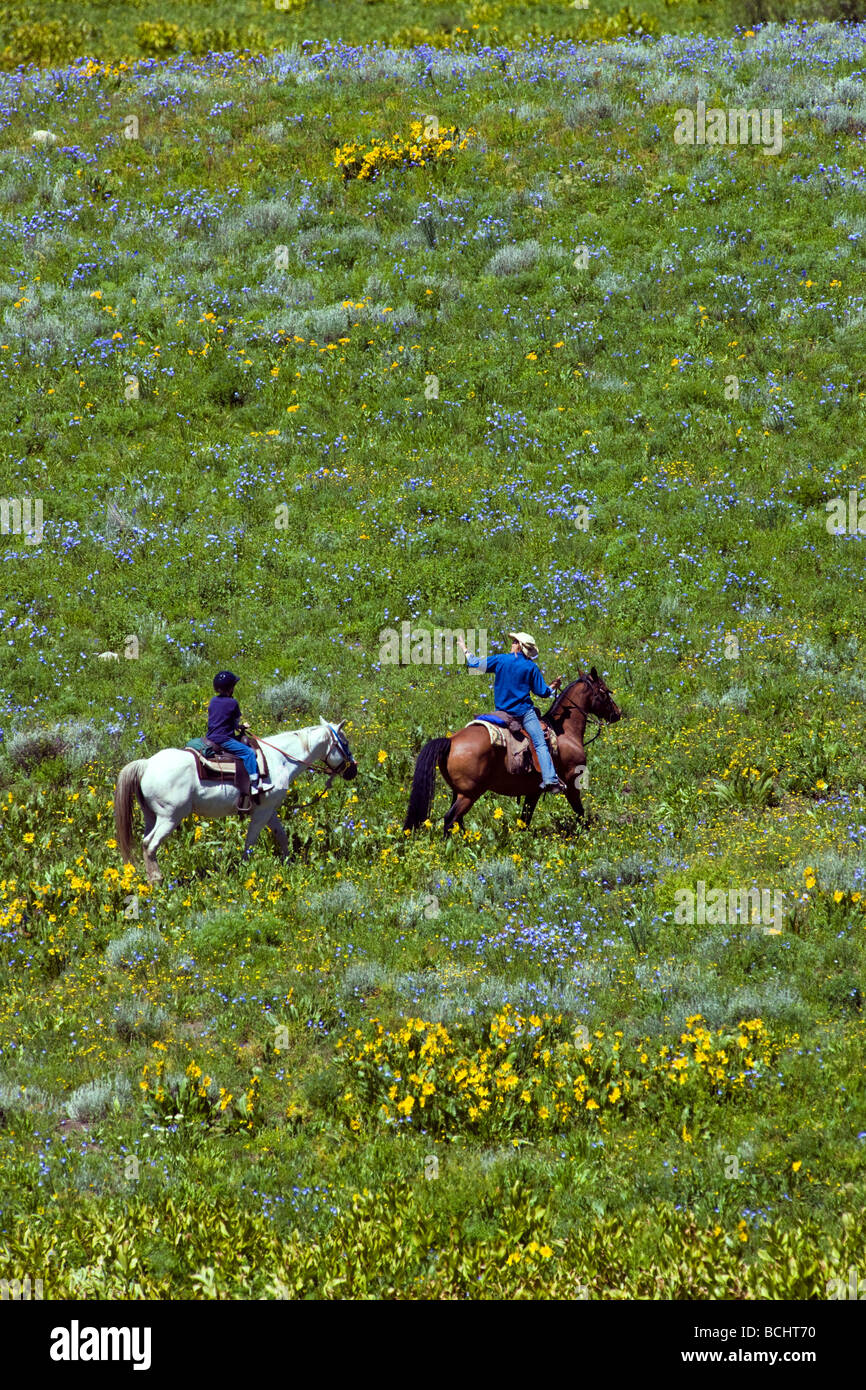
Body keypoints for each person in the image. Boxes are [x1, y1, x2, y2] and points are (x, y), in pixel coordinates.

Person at [457, 631, 566, 793]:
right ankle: (550, 780)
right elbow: (542, 693)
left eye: (515, 641)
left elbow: (475, 664)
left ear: (520, 647)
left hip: (502, 713)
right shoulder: (531, 667)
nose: (512, 643)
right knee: (539, 742)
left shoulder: (501, 660)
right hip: (524, 713)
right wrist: (552, 688)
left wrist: (465, 649)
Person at [206, 671, 273, 799]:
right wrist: (242, 727)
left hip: (211, 736)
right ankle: (254, 785)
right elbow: (235, 723)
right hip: (224, 738)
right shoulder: (233, 703)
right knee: (249, 753)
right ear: (230, 688)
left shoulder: (213, 701)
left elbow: (221, 719)